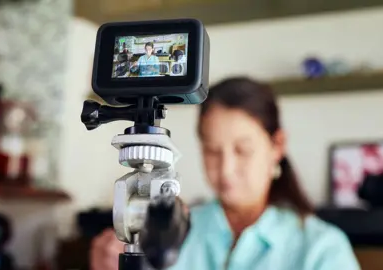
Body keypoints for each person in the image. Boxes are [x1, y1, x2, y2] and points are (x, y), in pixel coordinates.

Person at [90, 78, 360, 270]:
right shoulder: (174, 227)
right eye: (212, 151)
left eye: (242, 150)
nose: (225, 169)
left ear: (277, 146)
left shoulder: (322, 249)